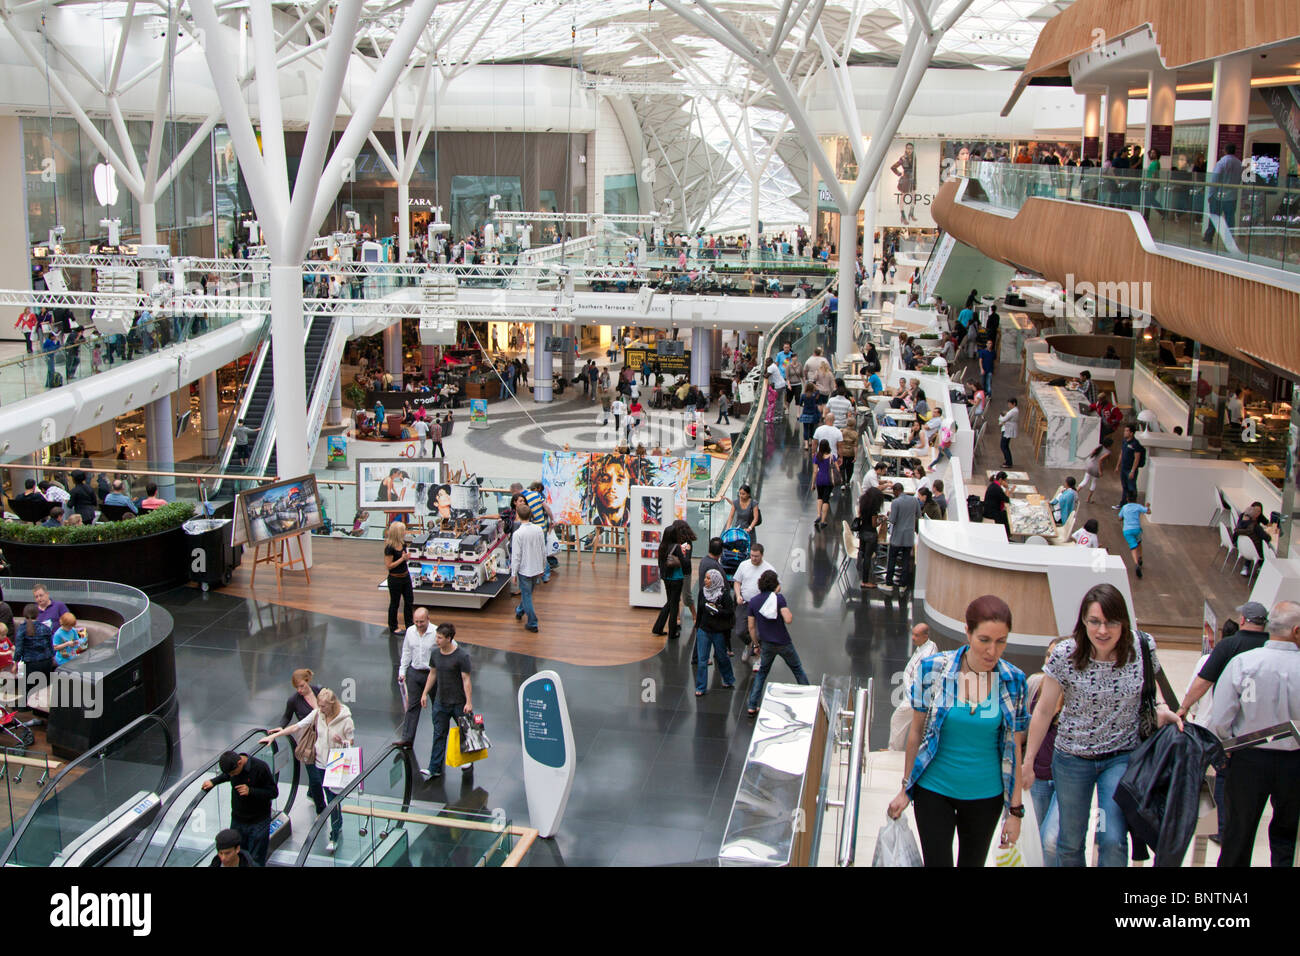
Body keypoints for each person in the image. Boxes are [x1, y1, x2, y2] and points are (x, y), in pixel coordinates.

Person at [1021, 583, 1183, 868]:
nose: (1102, 631)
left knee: (1112, 838)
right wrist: (1029, 760)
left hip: (1120, 757)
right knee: (1069, 841)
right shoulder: (1066, 654)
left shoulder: (1141, 646)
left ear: (1124, 622)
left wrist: (1161, 709)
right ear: (1083, 622)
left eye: (1111, 622)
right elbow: (1045, 710)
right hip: (1072, 758)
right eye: (1094, 622)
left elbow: (1151, 688)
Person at [889, 595, 1027, 867]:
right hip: (934, 790)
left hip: (986, 795)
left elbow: (1015, 746)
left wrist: (1015, 811)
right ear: (968, 632)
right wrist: (906, 787)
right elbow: (916, 732)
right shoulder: (933, 669)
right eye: (984, 640)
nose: (992, 651)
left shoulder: (1014, 679)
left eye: (1001, 642)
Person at [1208, 601, 1300, 867]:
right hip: (1294, 762)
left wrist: (1229, 744)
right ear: (1296, 631)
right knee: (1287, 835)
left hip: (1248, 758)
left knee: (1239, 833)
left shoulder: (1243, 663)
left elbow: (1221, 717)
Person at [1176, 601, 1271, 843]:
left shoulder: (1230, 645)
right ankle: (1241, 825)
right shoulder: (1272, 646)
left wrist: (1184, 706)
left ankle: (1220, 826)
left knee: (1222, 773)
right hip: (1265, 731)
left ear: (1243, 620)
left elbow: (1204, 680)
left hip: (1231, 728)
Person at [261, 688, 354, 854]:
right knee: (326, 793)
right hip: (319, 762)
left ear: (331, 705)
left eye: (323, 706)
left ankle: (335, 832)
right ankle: (335, 823)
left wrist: (342, 741)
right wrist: (275, 736)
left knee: (333, 799)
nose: (320, 709)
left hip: (336, 763)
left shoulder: (345, 719)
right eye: (319, 705)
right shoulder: (318, 714)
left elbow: (351, 743)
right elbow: (298, 726)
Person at [745, 570, 810, 716]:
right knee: (797, 669)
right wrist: (778, 595)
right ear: (775, 584)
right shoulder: (778, 599)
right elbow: (788, 619)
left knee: (762, 673)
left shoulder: (754, 602)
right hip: (784, 642)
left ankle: (752, 705)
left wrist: (756, 645)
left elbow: (750, 627)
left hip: (767, 644)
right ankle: (808, 697)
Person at [416, 623, 473, 781]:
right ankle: (434, 768)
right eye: (436, 636)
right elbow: (432, 674)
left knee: (466, 731)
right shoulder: (435, 654)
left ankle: (467, 759)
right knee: (439, 734)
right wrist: (425, 693)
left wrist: (468, 702)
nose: (437, 640)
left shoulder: (462, 656)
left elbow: (466, 679)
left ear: (449, 638)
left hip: (459, 702)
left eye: (440, 637)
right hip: (441, 702)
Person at [200, 750, 278, 866]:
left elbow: (273, 792)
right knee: (236, 855)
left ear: (240, 763)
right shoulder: (233, 770)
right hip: (238, 820)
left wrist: (251, 791)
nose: (231, 776)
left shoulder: (260, 768)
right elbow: (227, 774)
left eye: (233, 773)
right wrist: (213, 781)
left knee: (255, 859)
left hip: (258, 822)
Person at [888, 624, 939, 750]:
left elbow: (923, 679)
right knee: (903, 722)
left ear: (925, 636)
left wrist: (913, 696)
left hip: (916, 696)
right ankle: (895, 749)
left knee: (898, 719)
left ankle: (894, 750)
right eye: (913, 634)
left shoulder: (928, 653)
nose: (913, 638)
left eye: (916, 635)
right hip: (912, 694)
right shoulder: (923, 646)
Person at [694, 569, 736, 696]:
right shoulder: (703, 592)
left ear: (715, 580)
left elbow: (730, 612)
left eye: (708, 578)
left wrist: (717, 610)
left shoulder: (724, 595)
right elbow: (700, 610)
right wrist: (698, 626)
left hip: (718, 631)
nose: (705, 580)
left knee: (722, 657)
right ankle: (700, 687)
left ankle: (728, 679)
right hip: (704, 629)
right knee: (702, 660)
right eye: (705, 578)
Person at [653, 520, 695, 640]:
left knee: (670, 602)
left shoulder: (662, 546)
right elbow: (685, 562)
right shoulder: (676, 547)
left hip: (666, 578)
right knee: (674, 604)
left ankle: (658, 627)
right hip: (676, 579)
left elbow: (660, 563)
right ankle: (672, 632)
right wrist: (686, 551)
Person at [732, 542, 775, 661]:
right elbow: (737, 581)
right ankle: (750, 644)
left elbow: (777, 586)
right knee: (740, 630)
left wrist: (769, 598)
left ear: (762, 555)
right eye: (751, 555)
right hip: (745, 603)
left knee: (760, 632)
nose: (753, 558)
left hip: (760, 606)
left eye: (756, 556)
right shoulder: (743, 565)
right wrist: (738, 595)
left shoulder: (768, 568)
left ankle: (758, 654)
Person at [510, 500, 545, 633]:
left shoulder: (518, 534)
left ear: (518, 515)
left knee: (527, 595)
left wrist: (514, 573)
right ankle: (519, 611)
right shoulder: (538, 530)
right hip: (536, 568)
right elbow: (543, 550)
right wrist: (543, 567)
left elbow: (516, 556)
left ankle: (532, 622)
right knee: (527, 594)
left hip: (524, 569)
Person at [884, 483, 922, 590]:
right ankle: (902, 585)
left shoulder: (895, 502)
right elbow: (919, 515)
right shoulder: (914, 500)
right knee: (906, 560)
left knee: (892, 558)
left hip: (897, 536)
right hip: (909, 536)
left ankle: (889, 583)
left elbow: (892, 520)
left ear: (896, 491)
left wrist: (889, 515)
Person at [383, 521, 414, 635]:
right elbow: (389, 566)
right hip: (395, 579)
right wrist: (402, 559)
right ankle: (393, 626)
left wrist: (406, 558)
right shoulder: (389, 548)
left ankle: (410, 625)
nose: (405, 532)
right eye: (403, 530)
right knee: (394, 603)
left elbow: (403, 559)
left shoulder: (403, 544)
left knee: (409, 601)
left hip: (405, 576)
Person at [590, 452, 634, 527]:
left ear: (629, 488)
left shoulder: (642, 522)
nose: (612, 486)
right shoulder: (587, 521)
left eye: (620, 480)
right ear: (594, 486)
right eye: (605, 479)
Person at [1231, 501, 1272, 578]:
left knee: (1252, 545)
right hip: (1253, 550)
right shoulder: (1256, 526)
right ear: (1253, 515)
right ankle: (1262, 567)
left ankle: (1246, 567)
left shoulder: (1240, 525)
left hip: (1242, 547)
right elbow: (1268, 538)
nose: (1257, 513)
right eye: (1256, 511)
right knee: (1263, 548)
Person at [811, 439, 839, 531]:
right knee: (826, 500)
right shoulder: (832, 457)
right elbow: (837, 469)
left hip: (820, 479)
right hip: (829, 480)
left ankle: (818, 515)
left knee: (819, 497)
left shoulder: (817, 457)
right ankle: (823, 520)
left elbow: (815, 471)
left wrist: (813, 483)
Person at [1115, 424, 1146, 507]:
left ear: (1131, 433)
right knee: (1124, 486)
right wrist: (1118, 465)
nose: (1124, 432)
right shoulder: (1124, 441)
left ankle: (1132, 505)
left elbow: (1137, 458)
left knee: (1131, 487)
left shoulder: (1135, 444)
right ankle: (1123, 503)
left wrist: (1132, 471)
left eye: (1127, 431)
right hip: (1124, 468)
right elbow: (1121, 453)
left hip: (1130, 469)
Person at [1119, 497, 1149, 578]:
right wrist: (1147, 507)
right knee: (1139, 542)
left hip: (1127, 531)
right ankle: (1140, 557)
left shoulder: (1124, 507)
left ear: (1127, 499)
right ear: (1136, 498)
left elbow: (1120, 518)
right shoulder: (1138, 506)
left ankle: (1136, 564)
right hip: (1137, 529)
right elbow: (1148, 511)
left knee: (1133, 547)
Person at [998, 397, 1019, 468]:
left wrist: (1001, 416)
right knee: (1005, 445)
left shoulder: (1013, 411)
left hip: (1008, 429)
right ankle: (1008, 461)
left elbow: (1004, 419)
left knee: (1003, 445)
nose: (1009, 405)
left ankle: (1008, 462)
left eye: (1010, 404)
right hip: (1008, 428)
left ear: (1014, 404)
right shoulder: (1014, 411)